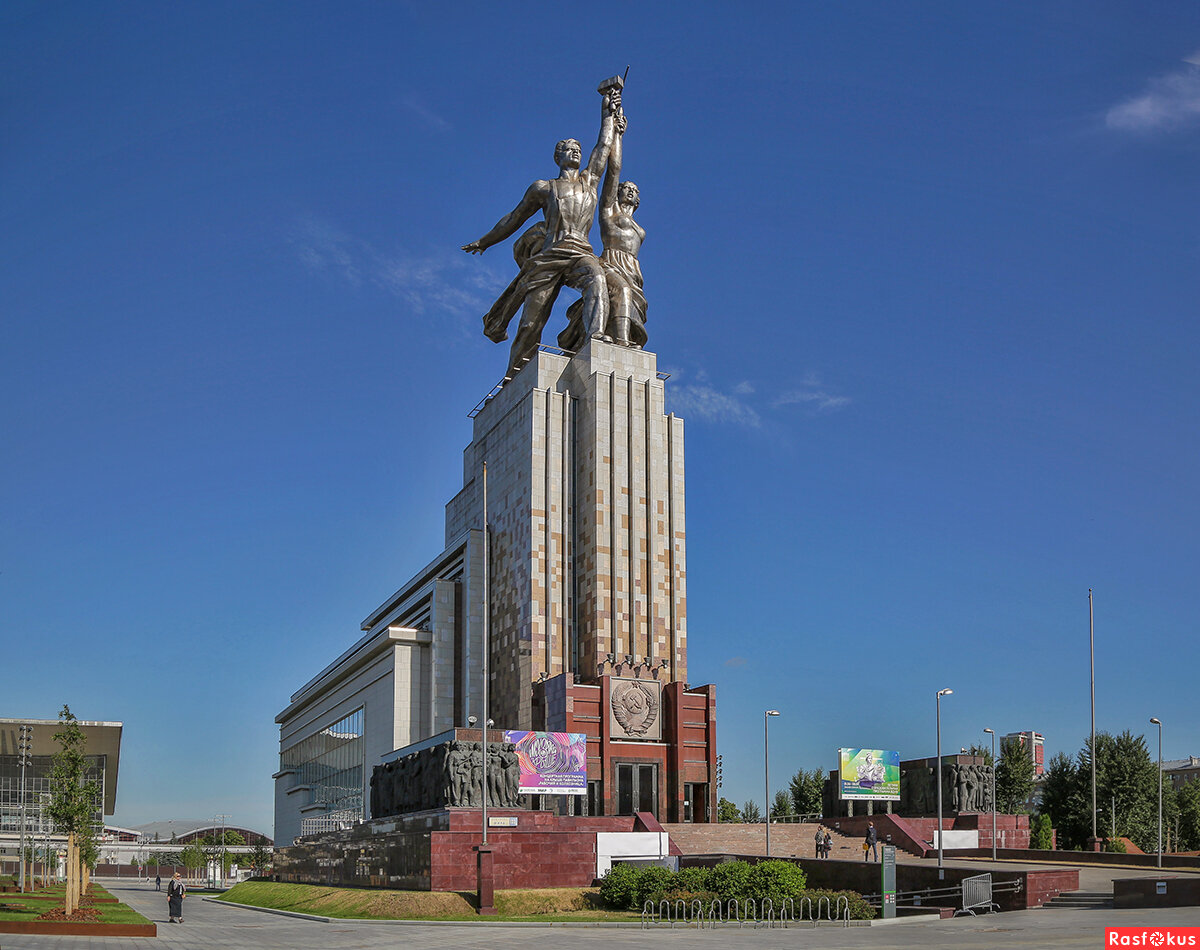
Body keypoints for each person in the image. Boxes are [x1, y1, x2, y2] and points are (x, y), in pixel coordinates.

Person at [464, 84, 622, 379]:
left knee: (597, 278)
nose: (575, 152)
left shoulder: (589, 182)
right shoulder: (544, 188)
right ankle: (513, 377)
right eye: (568, 149)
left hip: (579, 253)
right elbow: (514, 217)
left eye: (577, 149)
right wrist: (486, 240)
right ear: (558, 157)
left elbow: (602, 148)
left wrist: (608, 115)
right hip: (550, 255)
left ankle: (596, 338)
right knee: (530, 324)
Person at [559, 111, 647, 350]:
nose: (630, 191)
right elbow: (615, 168)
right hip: (612, 262)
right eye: (625, 188)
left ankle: (621, 338)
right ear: (617, 194)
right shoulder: (610, 213)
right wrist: (618, 135)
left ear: (639, 200)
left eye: (634, 190)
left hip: (633, 270)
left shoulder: (640, 228)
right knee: (621, 291)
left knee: (627, 295)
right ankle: (622, 341)